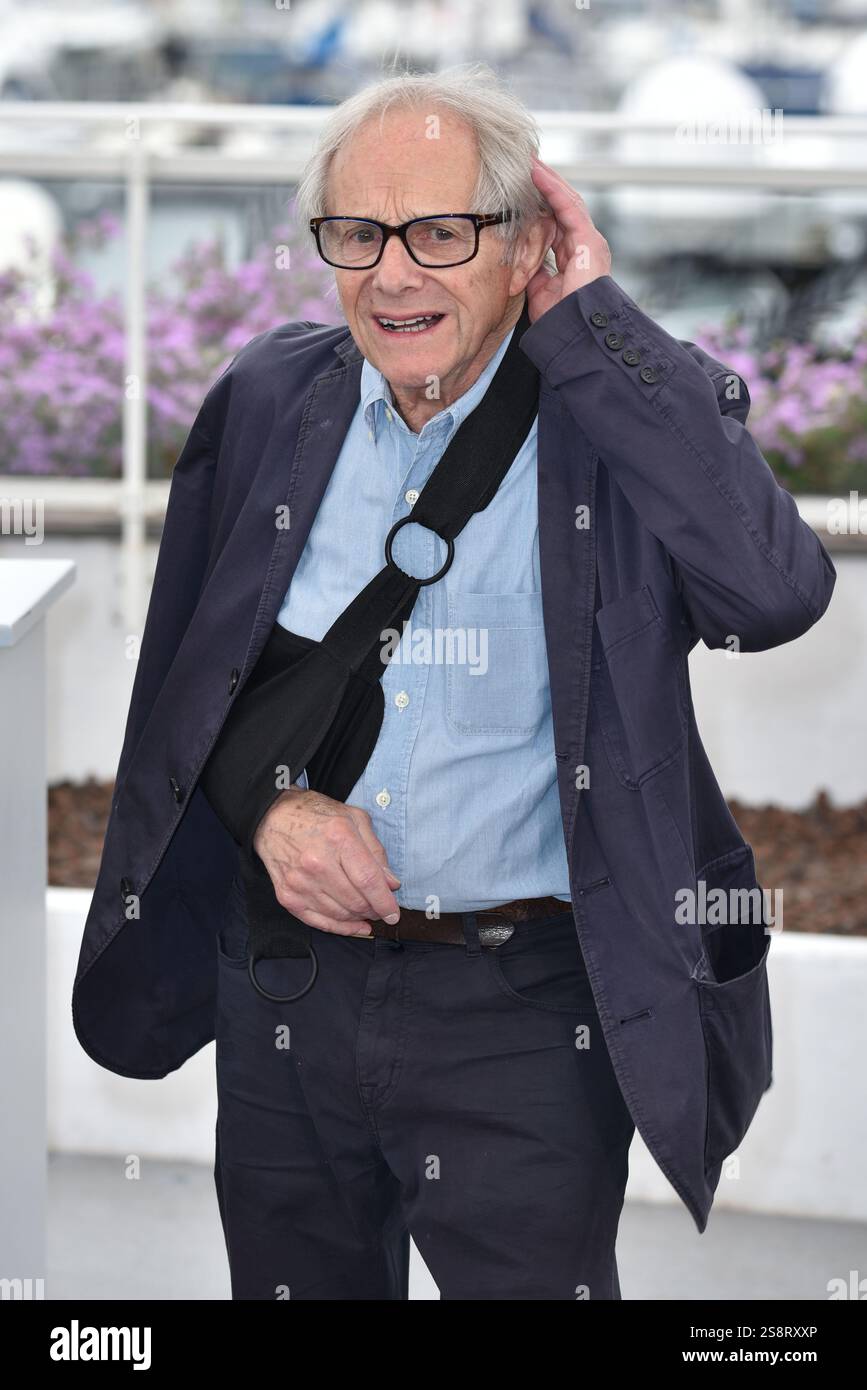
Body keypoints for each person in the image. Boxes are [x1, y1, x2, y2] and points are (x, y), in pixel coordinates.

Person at [72, 64, 836, 1301]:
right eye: (357, 233)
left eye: (441, 230)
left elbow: (778, 590)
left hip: (527, 1012)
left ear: (528, 243)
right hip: (289, 989)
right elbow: (191, 689)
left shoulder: (619, 418)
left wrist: (600, 325)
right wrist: (271, 807)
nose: (391, 271)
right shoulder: (271, 401)